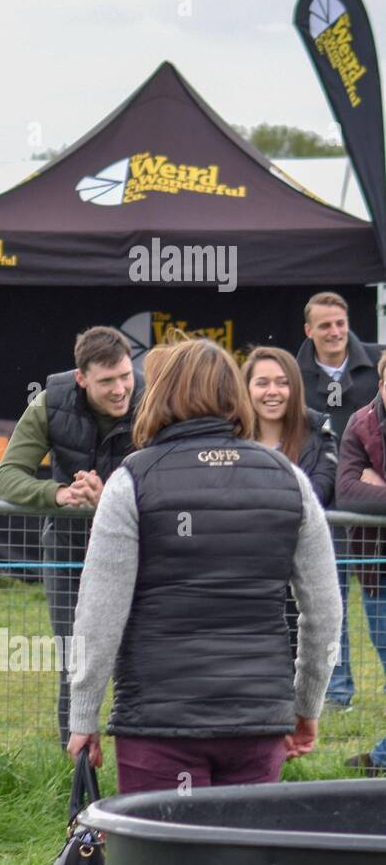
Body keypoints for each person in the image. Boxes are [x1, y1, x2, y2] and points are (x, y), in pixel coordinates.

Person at [66, 338, 340, 793]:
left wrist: (82, 714)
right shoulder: (290, 479)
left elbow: (99, 612)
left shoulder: (131, 480)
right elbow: (326, 612)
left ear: (161, 392)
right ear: (236, 393)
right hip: (257, 721)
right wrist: (305, 705)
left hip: (157, 720)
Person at [0, 326, 142, 747]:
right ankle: (74, 771)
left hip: (141, 544)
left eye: (125, 376)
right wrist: (59, 493)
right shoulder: (49, 402)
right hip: (69, 547)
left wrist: (109, 496)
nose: (120, 389)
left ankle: (142, 767)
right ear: (81, 378)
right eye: (106, 381)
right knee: (74, 660)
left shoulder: (153, 399)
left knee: (140, 657)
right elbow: (5, 479)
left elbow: (171, 476)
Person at [296, 290, 381, 708]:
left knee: (377, 602)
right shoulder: (292, 377)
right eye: (325, 325)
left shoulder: (379, 363)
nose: (335, 332)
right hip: (319, 509)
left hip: (369, 513)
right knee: (328, 606)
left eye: (341, 323)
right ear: (309, 330)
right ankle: (336, 690)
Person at [243, 346, 341, 664]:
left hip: (300, 575)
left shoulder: (320, 434)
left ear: (294, 388)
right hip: (243, 577)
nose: (272, 391)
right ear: (246, 389)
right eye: (262, 382)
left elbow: (319, 492)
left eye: (282, 382)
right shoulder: (226, 439)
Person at [331, 348, 386, 777]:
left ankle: (381, 757)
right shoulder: (361, 424)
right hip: (377, 572)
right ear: (382, 382)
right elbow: (348, 492)